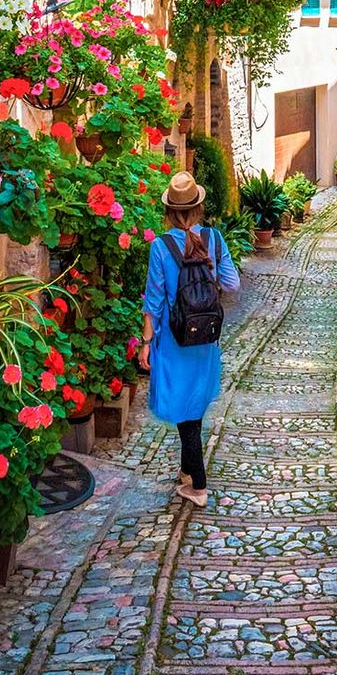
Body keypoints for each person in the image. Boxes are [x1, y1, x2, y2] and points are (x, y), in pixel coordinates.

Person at [139, 171, 240, 506]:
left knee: (186, 414)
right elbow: (232, 283)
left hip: (173, 338)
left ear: (169, 211)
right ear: (198, 207)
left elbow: (153, 300)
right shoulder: (213, 238)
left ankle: (198, 485)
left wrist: (144, 344)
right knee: (193, 406)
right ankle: (187, 472)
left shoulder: (161, 246)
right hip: (205, 337)